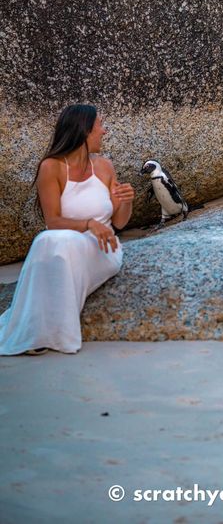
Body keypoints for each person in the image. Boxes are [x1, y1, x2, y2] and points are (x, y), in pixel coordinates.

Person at [0, 104, 135, 356]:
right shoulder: (51, 167)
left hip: (102, 249)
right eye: (99, 126)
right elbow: (53, 221)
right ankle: (36, 332)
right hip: (65, 245)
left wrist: (126, 200)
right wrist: (87, 224)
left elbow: (119, 223)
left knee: (55, 243)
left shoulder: (105, 166)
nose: (104, 132)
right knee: (49, 240)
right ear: (84, 130)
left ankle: (53, 333)